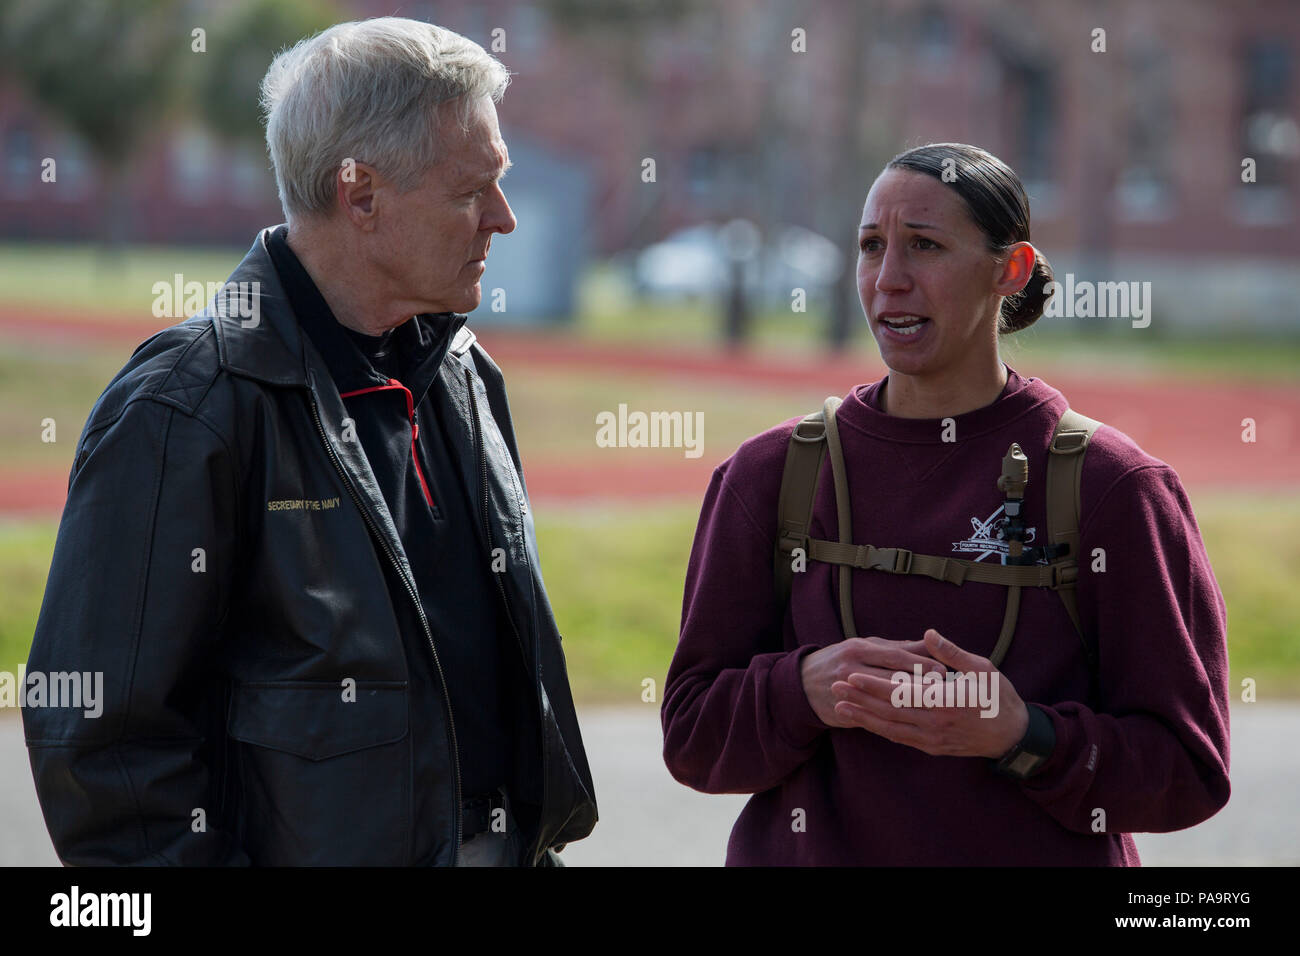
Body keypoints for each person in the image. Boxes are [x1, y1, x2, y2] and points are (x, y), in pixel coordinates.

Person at [23, 17, 596, 867]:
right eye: (472, 191)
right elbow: (104, 752)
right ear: (359, 195)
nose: (503, 219)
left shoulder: (466, 373)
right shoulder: (186, 408)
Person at [660, 142, 1230, 865]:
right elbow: (692, 741)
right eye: (872, 246)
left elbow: (1189, 771)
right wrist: (803, 689)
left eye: (924, 246)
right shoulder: (770, 475)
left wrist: (1023, 736)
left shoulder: (1114, 486)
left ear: (1010, 270)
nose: (888, 280)